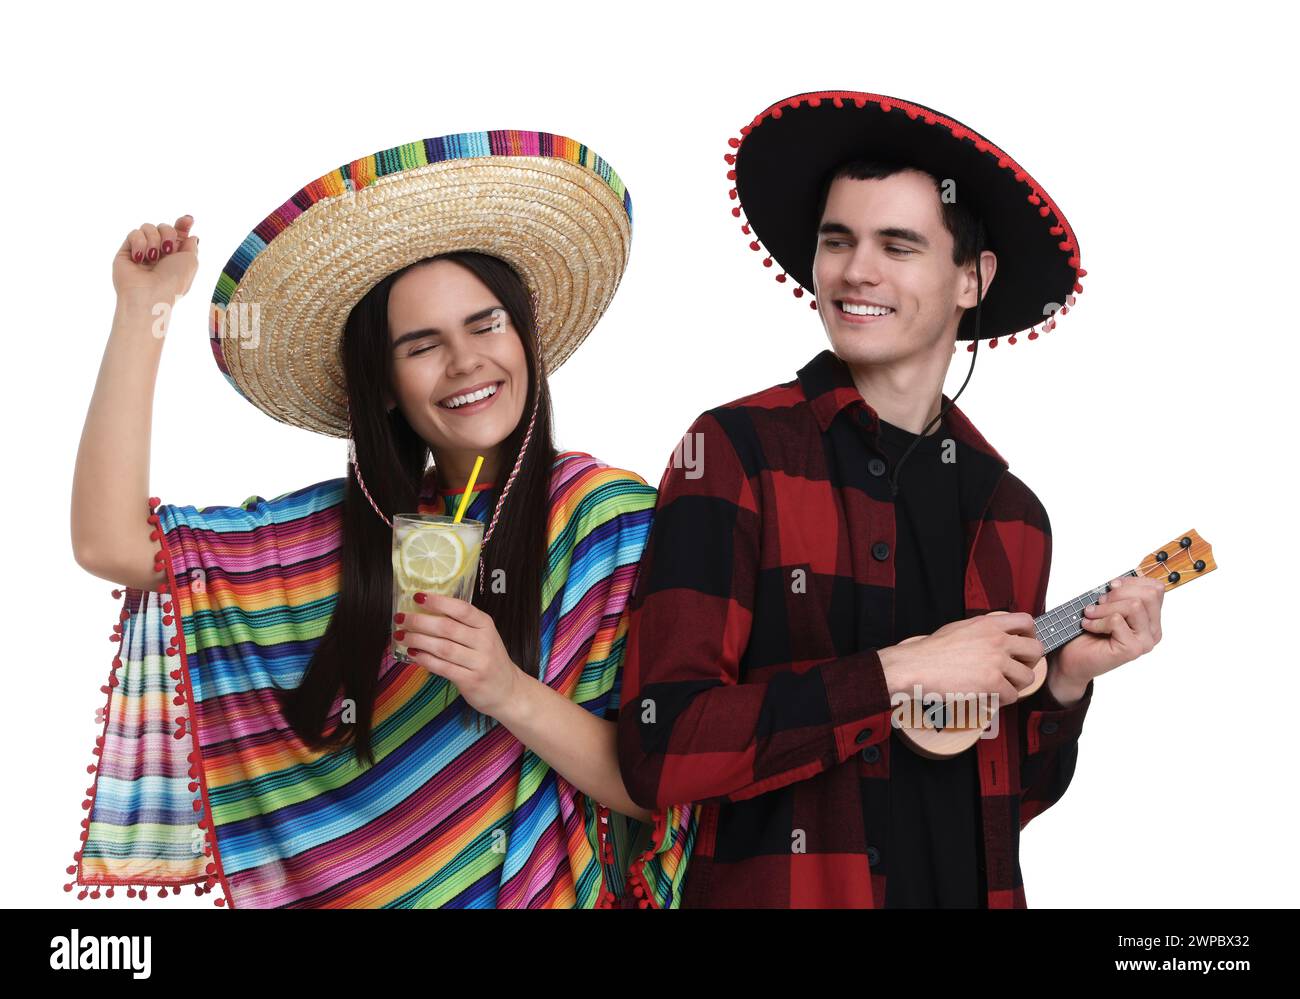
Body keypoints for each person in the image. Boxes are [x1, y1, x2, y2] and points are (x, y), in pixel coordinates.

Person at [66, 130, 696, 908]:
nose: (466, 361)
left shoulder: (611, 524)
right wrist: (145, 310)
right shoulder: (357, 532)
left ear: (526, 338)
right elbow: (111, 542)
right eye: (422, 345)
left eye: (487, 323)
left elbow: (664, 783)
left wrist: (505, 687)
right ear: (387, 386)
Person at [617, 91, 1165, 908]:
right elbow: (660, 750)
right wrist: (897, 673)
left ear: (971, 280)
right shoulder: (735, 452)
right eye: (838, 241)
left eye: (897, 245)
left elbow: (1006, 800)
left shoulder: (1013, 515)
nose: (854, 271)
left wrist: (1065, 686)